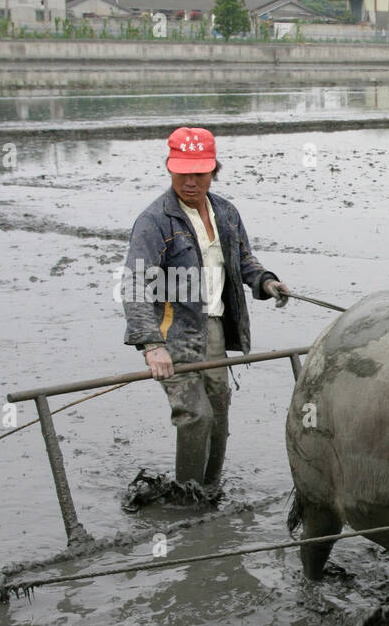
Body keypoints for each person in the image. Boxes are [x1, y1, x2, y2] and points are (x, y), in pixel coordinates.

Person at [121, 127, 290, 496]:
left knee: (218, 410)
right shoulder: (155, 221)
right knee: (195, 415)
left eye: (199, 172)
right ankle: (187, 497)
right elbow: (134, 285)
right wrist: (152, 345)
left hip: (213, 328)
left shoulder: (226, 212)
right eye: (183, 171)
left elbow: (243, 260)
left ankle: (210, 491)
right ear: (169, 168)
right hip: (172, 333)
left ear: (214, 170)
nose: (191, 181)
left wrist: (265, 281)